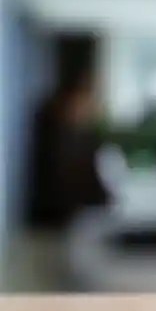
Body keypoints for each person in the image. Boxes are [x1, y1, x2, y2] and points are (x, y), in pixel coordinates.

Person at [26, 68, 111, 229]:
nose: (92, 107)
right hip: (54, 220)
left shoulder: (84, 138)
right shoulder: (57, 140)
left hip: (74, 218)